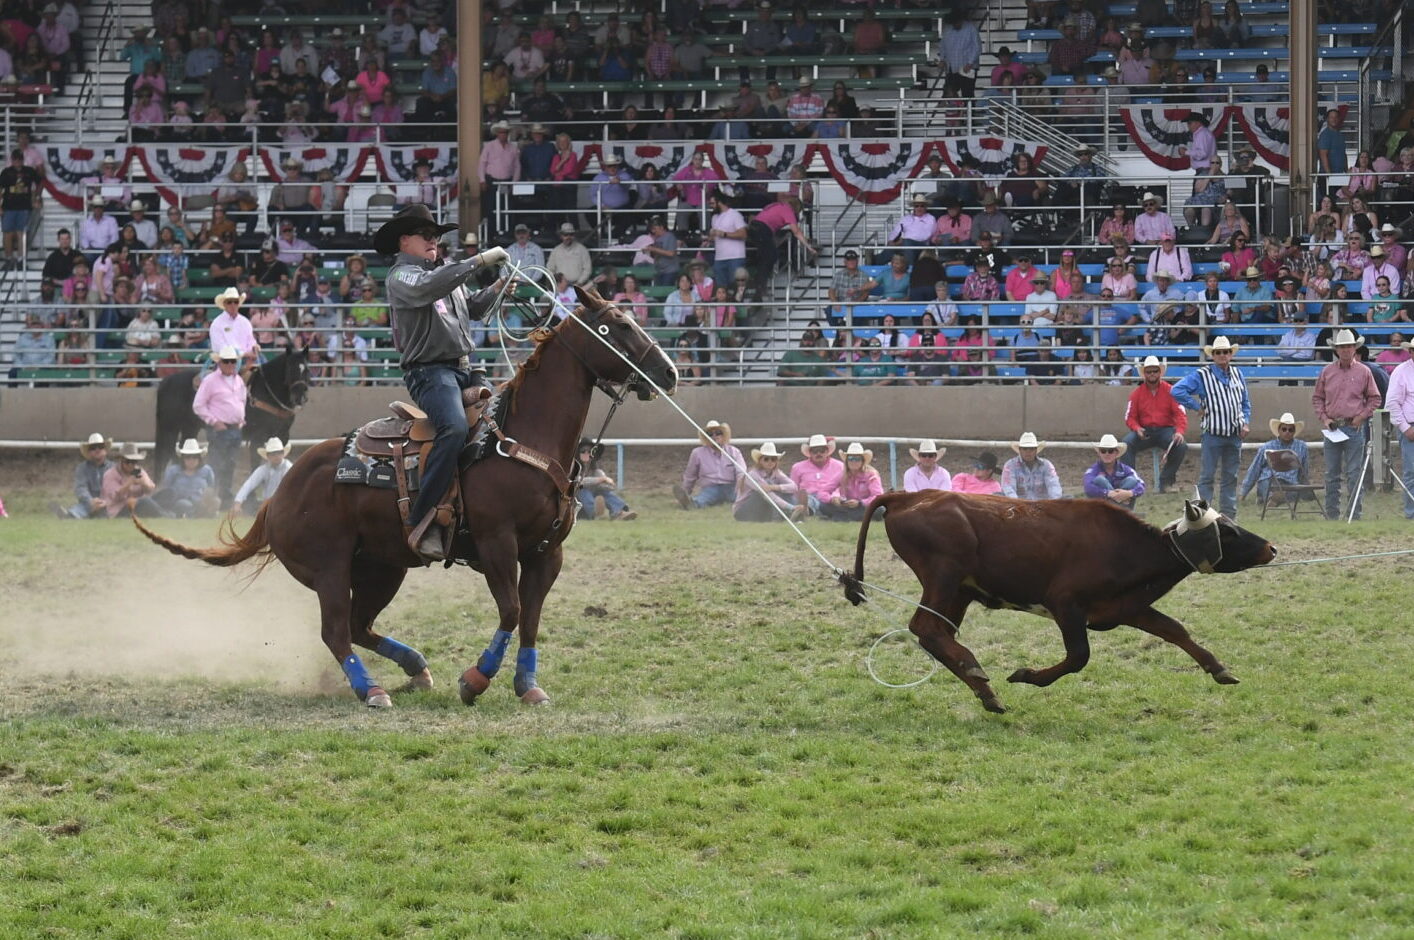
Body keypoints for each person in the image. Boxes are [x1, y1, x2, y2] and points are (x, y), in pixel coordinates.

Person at [377, 204, 509, 560]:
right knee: (452, 429)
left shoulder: (442, 276)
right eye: (427, 236)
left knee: (503, 427)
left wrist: (500, 285)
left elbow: (475, 308)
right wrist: (478, 261)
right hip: (430, 373)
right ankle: (424, 519)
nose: (434, 242)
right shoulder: (402, 277)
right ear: (404, 241)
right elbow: (427, 289)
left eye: (437, 237)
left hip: (464, 369)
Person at [1171, 335, 1250, 517]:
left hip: (1235, 433)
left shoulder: (1238, 374)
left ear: (1231, 354)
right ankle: (1202, 513)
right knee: (1207, 476)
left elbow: (1245, 402)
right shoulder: (1202, 375)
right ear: (1213, 355)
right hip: (1212, 434)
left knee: (1231, 476)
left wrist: (1245, 422)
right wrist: (1196, 406)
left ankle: (1228, 516)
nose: (1222, 355)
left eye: (1225, 352)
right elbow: (1177, 390)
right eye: (1218, 352)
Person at [1312, 329, 1380, 521]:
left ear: (1354, 348)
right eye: (1342, 347)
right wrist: (1325, 419)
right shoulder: (1327, 372)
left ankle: (1353, 515)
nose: (1345, 350)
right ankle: (1332, 515)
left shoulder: (1364, 371)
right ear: (1336, 350)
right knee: (1331, 474)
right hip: (1332, 427)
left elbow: (1375, 398)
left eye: (1348, 346)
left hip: (1354, 427)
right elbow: (1317, 398)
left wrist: (1362, 416)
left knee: (1353, 474)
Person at [1121, 355, 1188, 492]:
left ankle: (1166, 482)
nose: (1152, 374)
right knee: (1126, 445)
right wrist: (1137, 428)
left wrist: (1179, 431)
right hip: (1144, 432)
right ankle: (1130, 482)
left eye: (1155, 371)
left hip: (1165, 431)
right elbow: (1130, 417)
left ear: (1160, 373)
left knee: (1181, 446)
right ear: (1144, 374)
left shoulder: (1171, 391)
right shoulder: (1136, 394)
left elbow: (1180, 414)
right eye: (1149, 371)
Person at [193, 345, 248, 511]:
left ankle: (223, 498)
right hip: (219, 430)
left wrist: (241, 419)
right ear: (220, 363)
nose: (230, 364)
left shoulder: (238, 380)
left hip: (235, 429)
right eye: (227, 361)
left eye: (233, 361)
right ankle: (213, 500)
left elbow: (242, 402)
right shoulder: (210, 381)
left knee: (230, 464)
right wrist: (214, 421)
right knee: (217, 464)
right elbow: (198, 405)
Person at [1239, 412, 1313, 507]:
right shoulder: (1266, 447)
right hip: (1269, 479)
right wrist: (1244, 493)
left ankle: (1273, 499)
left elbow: (1303, 471)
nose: (1287, 432)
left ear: (1294, 432)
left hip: (1290, 482)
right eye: (1284, 429)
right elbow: (1254, 470)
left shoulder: (1302, 447)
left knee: (1294, 491)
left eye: (1290, 430)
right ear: (1279, 430)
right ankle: (1273, 497)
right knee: (1269, 485)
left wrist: (1305, 488)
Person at [673, 419, 742, 510]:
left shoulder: (734, 452)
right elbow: (690, 476)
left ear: (723, 435)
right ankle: (689, 503)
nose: (714, 436)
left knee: (744, 499)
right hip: (710, 488)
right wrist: (686, 491)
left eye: (718, 433)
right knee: (702, 499)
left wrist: (740, 488)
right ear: (706, 437)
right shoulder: (697, 453)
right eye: (710, 434)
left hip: (730, 487)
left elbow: (741, 473)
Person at [1384, 340, 1414, 521]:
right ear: (1411, 352)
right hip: (1411, 427)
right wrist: (1406, 428)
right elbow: (1392, 404)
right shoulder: (1401, 372)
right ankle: (1412, 514)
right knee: (1412, 473)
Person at [732, 441, 797, 522]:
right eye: (766, 459)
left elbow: (794, 486)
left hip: (761, 509)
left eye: (773, 459)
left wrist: (775, 487)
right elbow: (768, 495)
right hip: (742, 512)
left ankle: (794, 515)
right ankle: (787, 514)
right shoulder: (752, 474)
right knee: (763, 491)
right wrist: (790, 507)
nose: (770, 462)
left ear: (776, 461)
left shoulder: (777, 472)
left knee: (783, 489)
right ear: (760, 461)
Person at [52, 433, 113, 519]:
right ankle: (69, 515)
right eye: (93, 447)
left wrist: (105, 502)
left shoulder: (113, 468)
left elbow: (116, 489)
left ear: (105, 449)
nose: (97, 450)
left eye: (100, 446)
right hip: (88, 504)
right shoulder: (82, 468)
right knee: (82, 507)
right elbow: (80, 488)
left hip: (108, 503)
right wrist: (91, 501)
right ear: (89, 451)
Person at [98, 442, 165, 518]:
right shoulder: (110, 474)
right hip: (119, 511)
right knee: (144, 502)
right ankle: (168, 516)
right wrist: (130, 482)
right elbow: (115, 497)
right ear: (121, 460)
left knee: (167, 493)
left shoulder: (139, 471)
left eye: (133, 462)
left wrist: (143, 483)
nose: (131, 465)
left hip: (139, 505)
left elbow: (151, 489)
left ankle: (166, 512)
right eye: (128, 461)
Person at [819, 443, 883, 522]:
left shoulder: (871, 475)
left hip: (864, 506)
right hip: (847, 506)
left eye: (857, 459)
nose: (853, 461)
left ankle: (841, 517)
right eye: (851, 458)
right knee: (823, 506)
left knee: (880, 509)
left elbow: (878, 496)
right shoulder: (842, 474)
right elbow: (822, 492)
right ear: (847, 461)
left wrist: (860, 503)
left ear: (862, 461)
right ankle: (857, 517)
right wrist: (832, 499)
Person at [154, 438, 217, 517]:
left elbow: (211, 488)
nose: (191, 460)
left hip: (200, 502)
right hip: (179, 502)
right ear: (182, 458)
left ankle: (199, 513)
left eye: (195, 457)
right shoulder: (173, 471)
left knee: (215, 502)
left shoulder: (207, 470)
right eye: (188, 457)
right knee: (184, 504)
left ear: (199, 458)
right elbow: (167, 490)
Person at [576, 439, 637, 521]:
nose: (586, 453)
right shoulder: (573, 468)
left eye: (590, 451)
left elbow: (609, 487)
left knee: (604, 492)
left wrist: (607, 484)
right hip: (577, 503)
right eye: (583, 451)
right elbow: (578, 482)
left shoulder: (597, 471)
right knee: (582, 489)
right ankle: (596, 513)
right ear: (577, 454)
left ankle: (618, 512)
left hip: (593, 496)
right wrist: (601, 479)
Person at [0, 148, 41, 269]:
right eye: (15, 159)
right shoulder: (6, 172)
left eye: (20, 159)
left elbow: (40, 182)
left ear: (23, 160)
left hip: (24, 207)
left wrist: (37, 197)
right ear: (12, 160)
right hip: (8, 207)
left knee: (21, 234)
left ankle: (21, 259)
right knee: (7, 233)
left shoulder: (29, 171)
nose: (18, 161)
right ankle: (8, 259)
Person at [789, 433, 845, 521]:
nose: (818, 453)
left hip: (830, 497)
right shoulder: (797, 467)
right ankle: (805, 510)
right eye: (815, 451)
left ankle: (806, 513)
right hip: (809, 496)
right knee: (809, 500)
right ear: (810, 452)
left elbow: (843, 487)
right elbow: (793, 488)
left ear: (827, 451)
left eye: (822, 450)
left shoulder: (840, 466)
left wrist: (835, 496)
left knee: (835, 503)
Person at [232, 436, 293, 514]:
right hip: (269, 506)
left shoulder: (289, 468)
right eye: (273, 453)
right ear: (268, 456)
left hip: (286, 505)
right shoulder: (264, 469)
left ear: (283, 453)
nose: (277, 456)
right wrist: (238, 502)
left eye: (279, 452)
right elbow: (249, 484)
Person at [1082, 433, 1145, 507]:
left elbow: (1141, 485)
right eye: (1103, 451)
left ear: (1116, 453)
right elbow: (1088, 487)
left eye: (1110, 451)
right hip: (1102, 510)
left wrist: (1129, 493)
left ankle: (1115, 506)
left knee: (1132, 480)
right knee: (1100, 480)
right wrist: (1108, 493)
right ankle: (1116, 506)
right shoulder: (1093, 470)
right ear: (1099, 453)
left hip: (1122, 509)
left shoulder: (1126, 469)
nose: (1107, 454)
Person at [1000, 431, 1062, 499]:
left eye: (1031, 448)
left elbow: (1053, 485)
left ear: (1036, 450)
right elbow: (1008, 488)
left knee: (1067, 498)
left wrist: (1054, 501)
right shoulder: (1010, 465)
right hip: (1018, 506)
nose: (1028, 451)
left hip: (1042, 505)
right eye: (1025, 449)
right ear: (1020, 450)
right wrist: (1018, 504)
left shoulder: (1046, 465)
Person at [547, 222, 592, 286]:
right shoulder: (556, 250)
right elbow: (550, 268)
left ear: (574, 235)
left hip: (579, 285)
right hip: (560, 286)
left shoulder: (582, 249)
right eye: (565, 235)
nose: (568, 237)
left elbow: (587, 269)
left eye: (571, 234)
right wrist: (557, 282)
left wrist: (579, 282)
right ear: (561, 236)